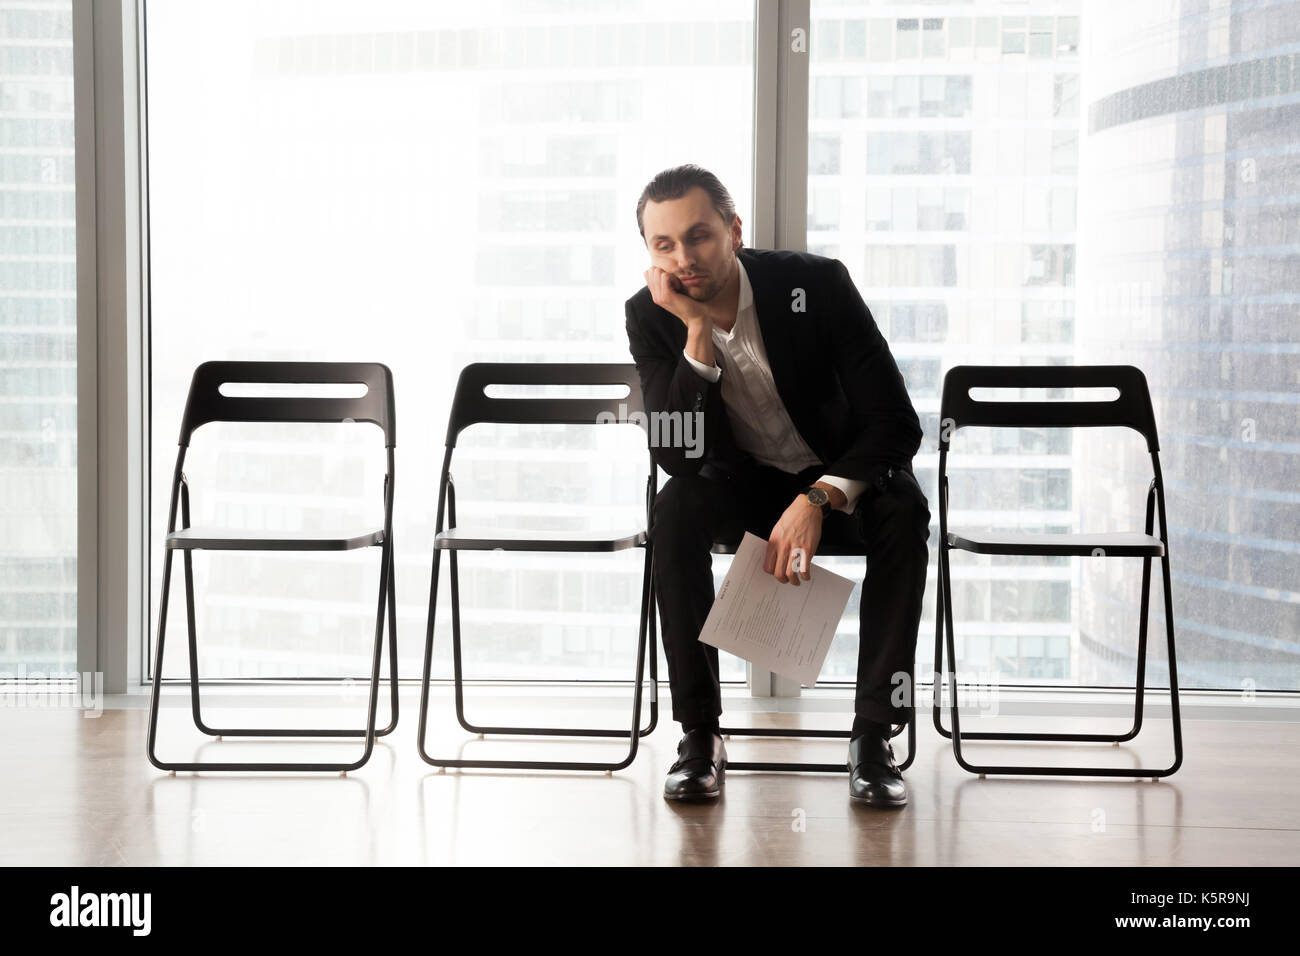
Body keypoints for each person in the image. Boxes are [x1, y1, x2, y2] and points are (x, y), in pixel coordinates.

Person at [624, 164, 931, 807]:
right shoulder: (651, 317)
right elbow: (676, 455)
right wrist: (697, 335)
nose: (685, 259)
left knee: (904, 508)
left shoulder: (814, 285)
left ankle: (873, 739)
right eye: (664, 245)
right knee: (674, 508)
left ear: (734, 231)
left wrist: (819, 497)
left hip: (837, 483)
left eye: (699, 235)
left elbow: (895, 423)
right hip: (742, 487)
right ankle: (700, 737)